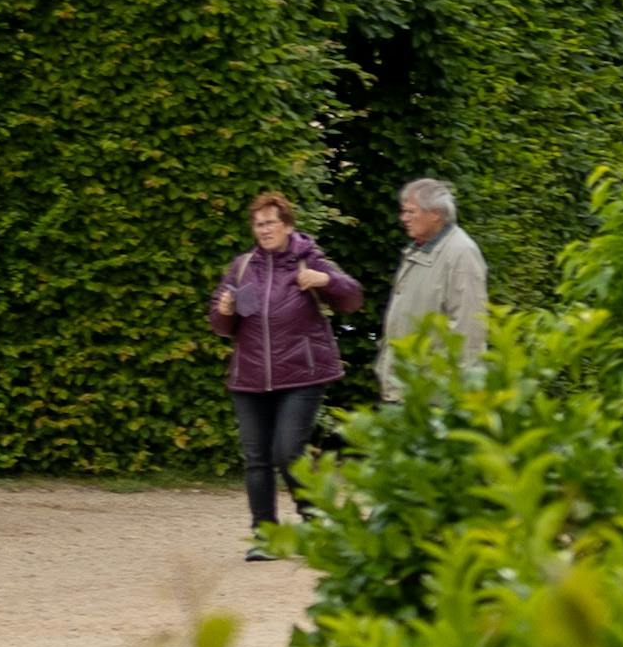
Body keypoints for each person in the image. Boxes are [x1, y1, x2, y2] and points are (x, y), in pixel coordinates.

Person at [207, 188, 364, 558]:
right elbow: (221, 325)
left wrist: (327, 282)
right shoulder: (242, 267)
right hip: (249, 377)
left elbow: (353, 298)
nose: (264, 230)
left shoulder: (309, 260)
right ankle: (265, 537)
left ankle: (315, 521)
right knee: (256, 458)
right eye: (258, 224)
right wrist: (225, 308)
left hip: (302, 375)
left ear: (288, 224)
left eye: (271, 223)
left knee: (288, 452)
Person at [383, 176, 490, 379]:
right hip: (411, 383)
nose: (403, 218)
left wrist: (456, 387)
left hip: (435, 389)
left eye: (410, 212)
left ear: (435, 214)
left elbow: (469, 327)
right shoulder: (418, 251)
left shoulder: (461, 253)